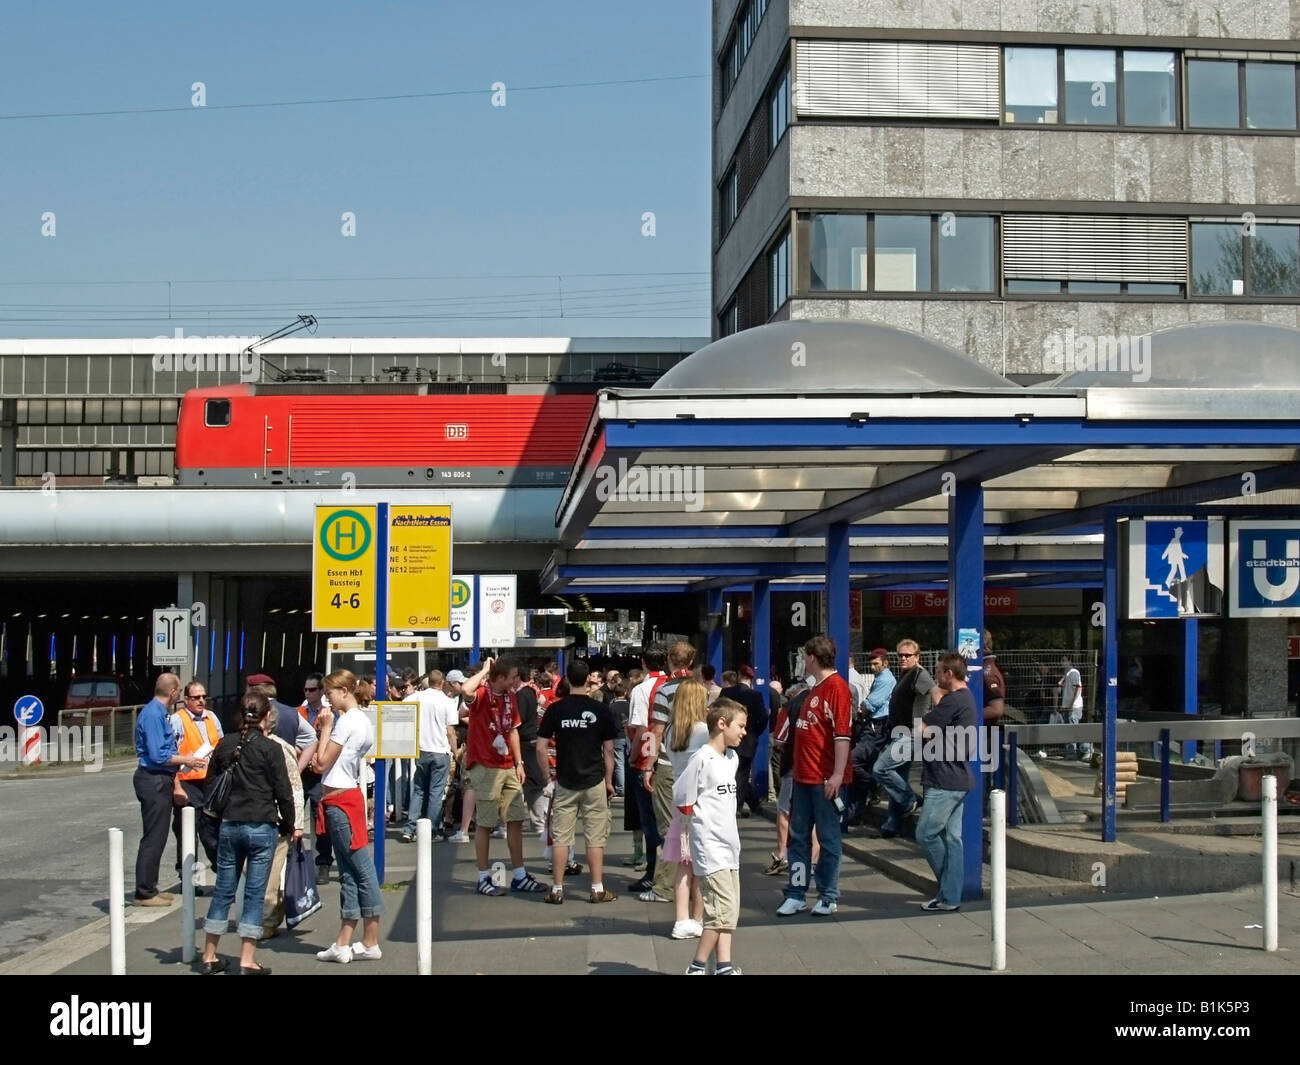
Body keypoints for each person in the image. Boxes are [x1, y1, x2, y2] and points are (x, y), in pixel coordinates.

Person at [198, 692, 295, 975]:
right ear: (267, 716)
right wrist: (289, 825)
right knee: (254, 894)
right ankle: (247, 960)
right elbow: (284, 792)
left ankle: (209, 955)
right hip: (262, 825)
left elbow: (210, 787)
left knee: (224, 891)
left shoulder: (224, 745)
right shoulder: (270, 748)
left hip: (230, 824)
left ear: (241, 715)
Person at [312, 669, 385, 963]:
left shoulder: (345, 722)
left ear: (343, 691)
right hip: (345, 797)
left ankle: (369, 941)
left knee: (359, 870)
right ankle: (345, 941)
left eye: (329, 693)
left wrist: (327, 727)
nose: (326, 699)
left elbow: (320, 762)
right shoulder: (362, 721)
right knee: (350, 872)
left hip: (339, 799)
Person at [777, 635, 852, 918]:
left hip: (823, 779)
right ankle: (796, 892)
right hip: (804, 776)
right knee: (798, 838)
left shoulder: (837, 689)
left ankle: (828, 894)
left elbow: (842, 735)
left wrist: (836, 774)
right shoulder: (814, 690)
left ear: (811, 658)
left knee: (828, 838)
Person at [461, 657, 548, 896]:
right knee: (486, 823)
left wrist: (519, 762)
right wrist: (485, 671)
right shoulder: (480, 695)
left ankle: (519, 874)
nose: (516, 680)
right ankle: (483, 876)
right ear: (498, 677)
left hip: (508, 764)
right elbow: (465, 690)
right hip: (486, 765)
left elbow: (513, 731)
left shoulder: (511, 698)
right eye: (511, 676)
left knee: (516, 818)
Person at [537, 660, 617, 904]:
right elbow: (610, 750)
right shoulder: (602, 710)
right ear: (589, 681)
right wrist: (609, 780)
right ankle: (597, 888)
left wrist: (547, 777)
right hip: (594, 781)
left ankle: (557, 889)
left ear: (568, 680)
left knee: (561, 837)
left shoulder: (555, 709)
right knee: (595, 838)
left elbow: (541, 748)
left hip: (565, 780)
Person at [678, 700, 747, 975]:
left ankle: (724, 967)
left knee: (729, 911)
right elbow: (683, 799)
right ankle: (696, 967)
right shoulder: (701, 758)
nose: (743, 732)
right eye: (740, 726)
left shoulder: (732, 759)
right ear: (722, 724)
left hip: (730, 847)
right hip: (711, 847)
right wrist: (698, 828)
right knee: (720, 912)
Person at [916, 652, 977, 912]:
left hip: (944, 779)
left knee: (926, 834)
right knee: (952, 839)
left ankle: (949, 889)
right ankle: (950, 898)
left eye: (939, 671)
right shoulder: (966, 699)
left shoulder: (953, 701)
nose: (936, 675)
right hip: (957, 778)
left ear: (949, 674)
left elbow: (922, 729)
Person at [643, 640, 697, 904]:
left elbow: (656, 731)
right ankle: (691, 881)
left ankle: (664, 886)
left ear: (669, 660)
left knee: (668, 827)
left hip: (668, 764)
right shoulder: (703, 690)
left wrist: (648, 763)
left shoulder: (664, 690)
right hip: (697, 766)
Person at [132, 672, 189, 907]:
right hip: (153, 779)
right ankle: (144, 892)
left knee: (158, 835)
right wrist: (186, 758)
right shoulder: (155, 714)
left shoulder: (158, 712)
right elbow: (158, 755)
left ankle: (150, 887)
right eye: (179, 692)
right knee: (154, 836)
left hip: (157, 779)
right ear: (173, 692)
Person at [662, 679, 711, 939]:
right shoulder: (704, 731)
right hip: (702, 801)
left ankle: (681, 919)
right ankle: (698, 918)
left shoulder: (671, 731)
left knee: (683, 863)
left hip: (679, 799)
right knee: (702, 864)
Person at [873, 639, 934, 838]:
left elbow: (935, 693)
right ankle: (892, 825)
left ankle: (910, 800)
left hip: (910, 733)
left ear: (917, 657)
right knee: (897, 776)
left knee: (881, 769)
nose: (903, 658)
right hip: (900, 732)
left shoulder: (920, 674)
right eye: (900, 655)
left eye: (908, 655)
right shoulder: (905, 674)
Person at [260, 704, 307, 940]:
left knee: (271, 872)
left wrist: (297, 823)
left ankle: (268, 921)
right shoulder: (237, 743)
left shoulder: (281, 747)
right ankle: (267, 914)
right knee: (257, 871)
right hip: (247, 819)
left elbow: (294, 787)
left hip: (275, 820)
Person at [170, 679, 222, 877]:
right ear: (186, 700)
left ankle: (223, 875)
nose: (201, 701)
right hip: (187, 783)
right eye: (196, 697)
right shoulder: (177, 720)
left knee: (211, 832)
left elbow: (221, 746)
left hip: (210, 782)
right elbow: (170, 755)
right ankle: (189, 880)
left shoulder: (212, 718)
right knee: (187, 833)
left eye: (203, 697)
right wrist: (177, 787)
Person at [627, 647, 667, 895]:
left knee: (650, 821)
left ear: (643, 663)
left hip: (646, 761)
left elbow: (644, 730)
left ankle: (654, 873)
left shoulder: (642, 689)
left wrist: (633, 754)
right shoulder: (676, 686)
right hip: (673, 761)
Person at [402, 669, 459, 843]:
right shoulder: (447, 702)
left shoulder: (418, 697)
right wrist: (456, 752)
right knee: (436, 792)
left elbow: (403, 703)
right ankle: (432, 830)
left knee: (419, 790)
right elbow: (450, 732)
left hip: (422, 749)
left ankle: (410, 828)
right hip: (440, 750)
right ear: (442, 683)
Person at [718, 665, 769, 818]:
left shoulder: (726, 692)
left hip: (726, 737)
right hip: (748, 739)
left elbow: (717, 711)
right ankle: (738, 805)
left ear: (739, 675)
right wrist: (755, 732)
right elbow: (763, 717)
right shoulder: (755, 696)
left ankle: (743, 803)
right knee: (742, 773)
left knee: (728, 772)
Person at [1054, 655, 1089, 760]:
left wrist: (1071, 705)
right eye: (1061, 660)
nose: (1062, 662)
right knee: (1070, 729)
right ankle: (1073, 751)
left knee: (1073, 729)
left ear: (1070, 661)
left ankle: (1083, 749)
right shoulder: (1067, 673)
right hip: (1067, 706)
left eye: (1064, 660)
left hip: (1073, 707)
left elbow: (1078, 689)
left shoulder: (1074, 673)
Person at [607, 675, 630, 797]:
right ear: (626, 692)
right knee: (629, 762)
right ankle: (628, 785)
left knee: (619, 762)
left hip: (616, 736)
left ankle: (621, 788)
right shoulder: (630, 705)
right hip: (629, 736)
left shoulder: (611, 707)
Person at [983, 631, 1006, 726]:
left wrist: (968, 716)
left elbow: (996, 709)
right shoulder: (987, 669)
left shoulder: (988, 673)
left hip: (985, 733)